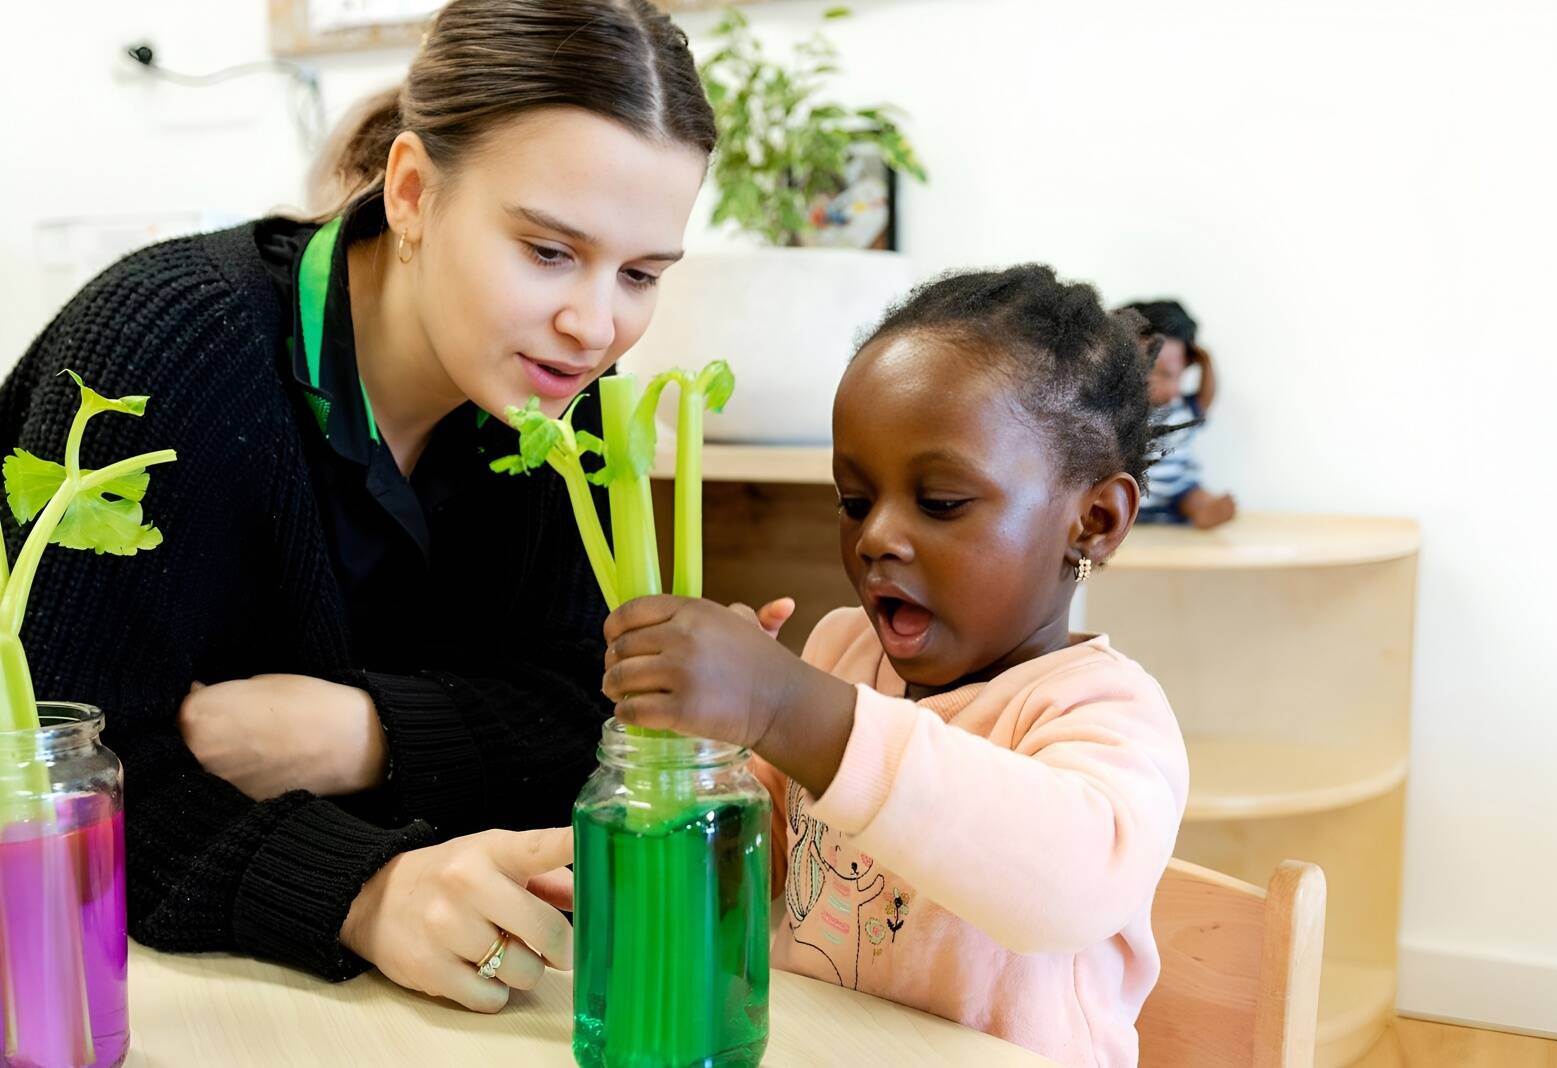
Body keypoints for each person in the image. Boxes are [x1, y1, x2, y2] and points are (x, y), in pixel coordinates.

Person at [0, 0, 714, 1012]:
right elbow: (60, 783)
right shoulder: (171, 346)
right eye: (549, 252)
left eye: (640, 274)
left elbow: (586, 719)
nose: (595, 325)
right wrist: (365, 890)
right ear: (415, 192)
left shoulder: (560, 402)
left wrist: (370, 732)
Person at [601, 266, 1190, 1064]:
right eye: (854, 500)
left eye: (941, 502)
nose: (876, 536)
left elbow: (1071, 887)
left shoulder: (1104, 712)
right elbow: (751, 869)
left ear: (1093, 522)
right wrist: (706, 762)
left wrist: (786, 706)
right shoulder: (842, 652)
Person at [1123, 299, 1235, 528]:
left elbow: (1207, 397)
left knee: (1195, 496)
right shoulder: (1118, 410)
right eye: (1144, 369)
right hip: (1126, 492)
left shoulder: (1182, 410)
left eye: (1167, 374)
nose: (1151, 381)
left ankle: (1205, 512)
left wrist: (1207, 364)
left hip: (1178, 491)